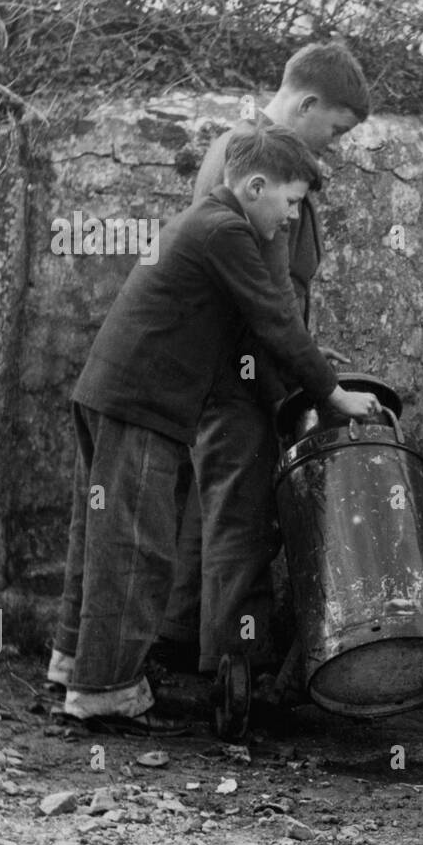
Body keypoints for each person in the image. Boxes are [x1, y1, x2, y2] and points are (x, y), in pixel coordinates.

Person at [47, 125, 381, 734]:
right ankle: (106, 692)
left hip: (109, 393)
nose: (293, 215)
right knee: (136, 547)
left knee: (96, 535)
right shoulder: (227, 232)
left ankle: (75, 665)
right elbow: (276, 319)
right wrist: (332, 395)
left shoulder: (206, 221)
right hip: (142, 405)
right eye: (291, 200)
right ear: (255, 187)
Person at [154, 41, 370, 678]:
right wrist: (318, 383)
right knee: (242, 520)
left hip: (243, 367)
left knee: (211, 509)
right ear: (305, 103)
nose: (334, 145)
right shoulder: (252, 157)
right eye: (334, 129)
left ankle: (177, 649)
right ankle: (234, 671)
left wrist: (302, 347)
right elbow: (264, 297)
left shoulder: (248, 150)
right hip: (244, 375)